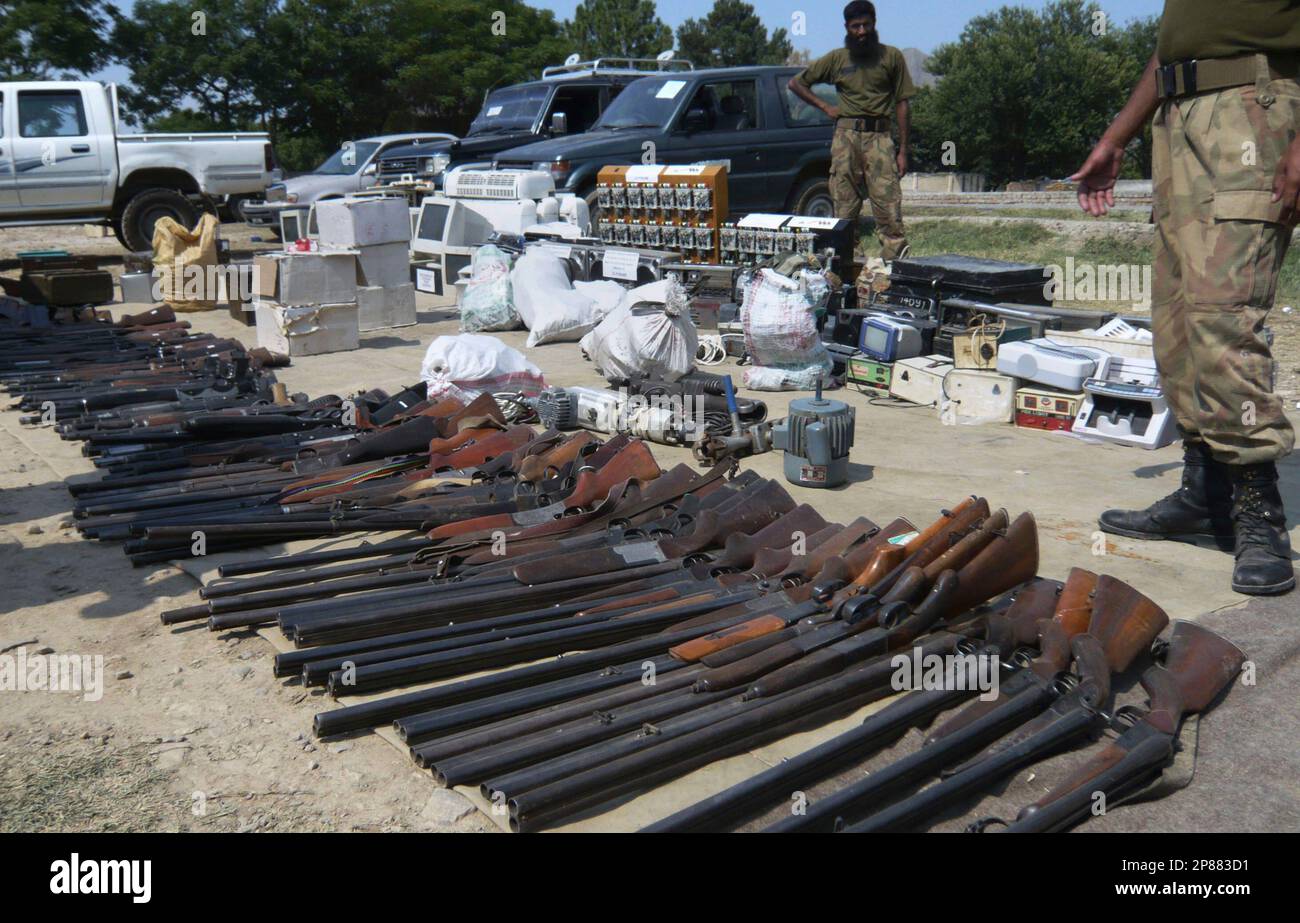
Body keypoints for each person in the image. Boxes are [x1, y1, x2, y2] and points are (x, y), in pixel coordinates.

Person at [1074, 0, 1300, 595]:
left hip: (1252, 114)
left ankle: (1260, 512)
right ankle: (1205, 492)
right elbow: (1170, 49)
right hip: (1177, 121)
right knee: (1175, 321)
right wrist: (1116, 136)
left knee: (1224, 318)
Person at [787, 0, 915, 260]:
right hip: (846, 138)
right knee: (844, 207)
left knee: (888, 205)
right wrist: (825, 107)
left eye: (866, 24)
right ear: (847, 27)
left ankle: (893, 272)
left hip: (880, 138)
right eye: (856, 26)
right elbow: (797, 83)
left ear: (874, 24)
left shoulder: (892, 57)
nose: (861, 31)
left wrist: (903, 150)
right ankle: (849, 271)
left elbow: (903, 102)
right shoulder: (837, 58)